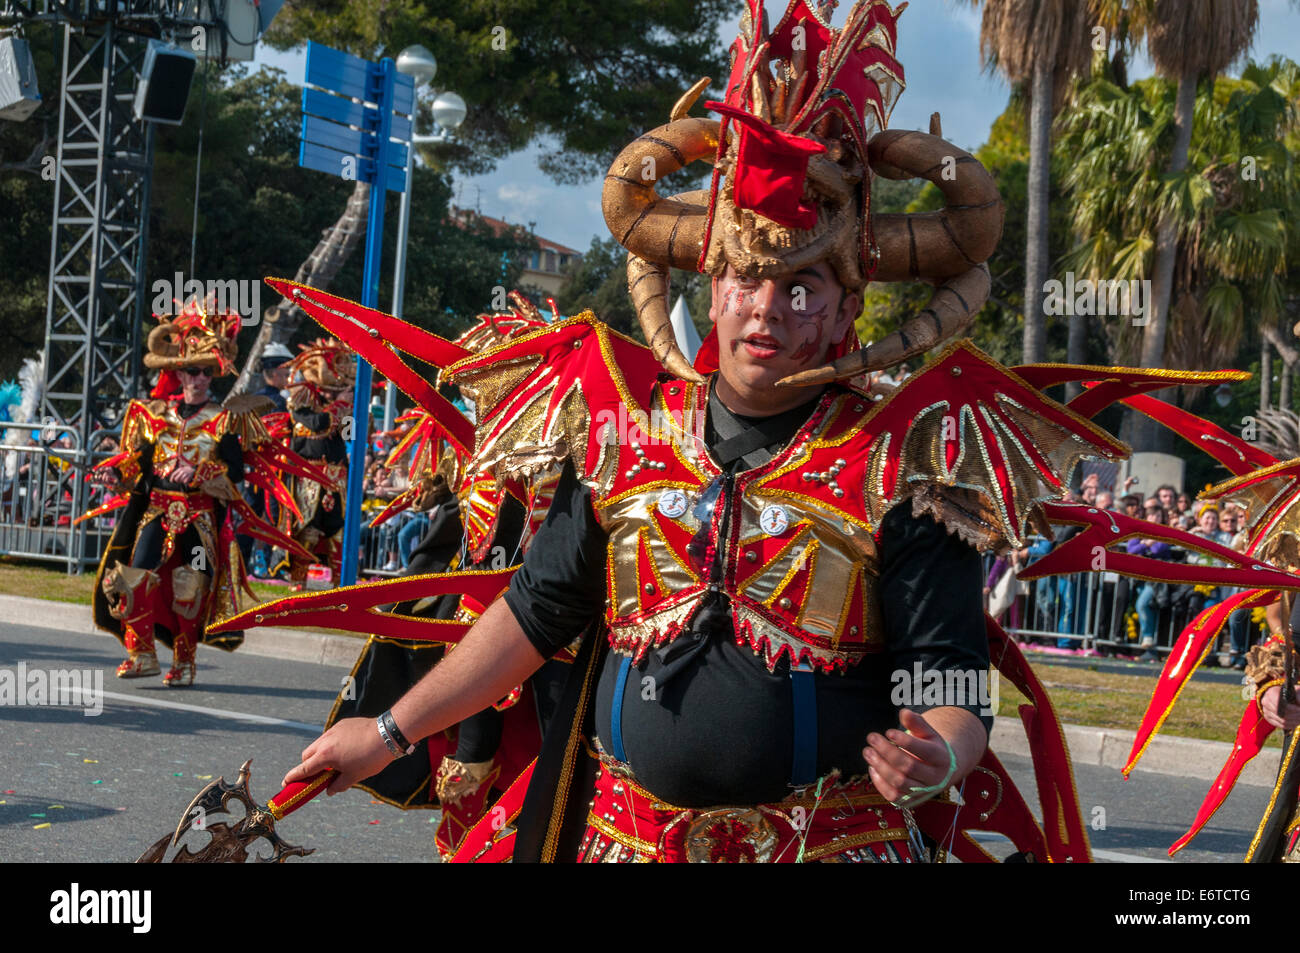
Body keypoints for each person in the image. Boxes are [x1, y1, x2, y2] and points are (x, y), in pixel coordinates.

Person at [264, 0, 1152, 864]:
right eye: (745, 279)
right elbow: (533, 615)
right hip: (620, 844)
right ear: (712, 287)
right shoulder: (621, 435)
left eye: (801, 286)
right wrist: (388, 731)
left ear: (846, 304)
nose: (767, 309)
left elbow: (950, 677)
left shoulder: (907, 465)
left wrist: (941, 751)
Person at [86, 304, 300, 686]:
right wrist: (115, 473)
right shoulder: (155, 416)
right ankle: (142, 654)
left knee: (190, 586)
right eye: (192, 371)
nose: (200, 379)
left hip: (200, 518)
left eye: (207, 371)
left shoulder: (225, 419)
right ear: (178, 373)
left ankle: (184, 661)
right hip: (156, 512)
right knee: (132, 579)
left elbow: (237, 477)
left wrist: (201, 473)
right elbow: (141, 462)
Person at [282, 339, 353, 590]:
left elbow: (351, 436)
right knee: (307, 530)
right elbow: (319, 423)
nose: (332, 392)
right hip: (308, 476)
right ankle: (298, 581)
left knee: (337, 531)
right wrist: (341, 404)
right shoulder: (300, 407)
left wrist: (352, 410)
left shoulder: (343, 410)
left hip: (337, 476)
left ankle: (339, 585)